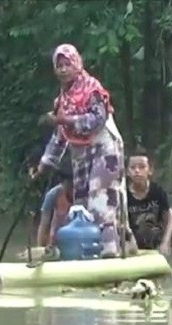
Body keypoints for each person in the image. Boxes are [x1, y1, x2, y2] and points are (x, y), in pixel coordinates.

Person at [32, 43, 129, 258]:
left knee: (100, 197)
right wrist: (43, 165)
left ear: (77, 64)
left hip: (104, 149)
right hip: (81, 155)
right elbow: (59, 137)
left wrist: (66, 120)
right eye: (59, 66)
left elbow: (97, 119)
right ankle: (86, 250)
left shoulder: (92, 88)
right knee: (81, 203)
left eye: (67, 64)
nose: (63, 70)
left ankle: (109, 250)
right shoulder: (62, 100)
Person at [126, 151, 172, 255]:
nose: (137, 171)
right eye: (133, 167)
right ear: (127, 172)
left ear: (150, 170)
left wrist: (166, 242)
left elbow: (170, 217)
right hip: (133, 246)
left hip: (156, 246)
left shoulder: (158, 191)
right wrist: (127, 240)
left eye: (142, 167)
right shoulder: (123, 195)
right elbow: (118, 222)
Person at [36, 165, 73, 247]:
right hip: (57, 239)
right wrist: (40, 248)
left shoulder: (83, 191)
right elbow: (44, 223)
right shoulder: (53, 194)